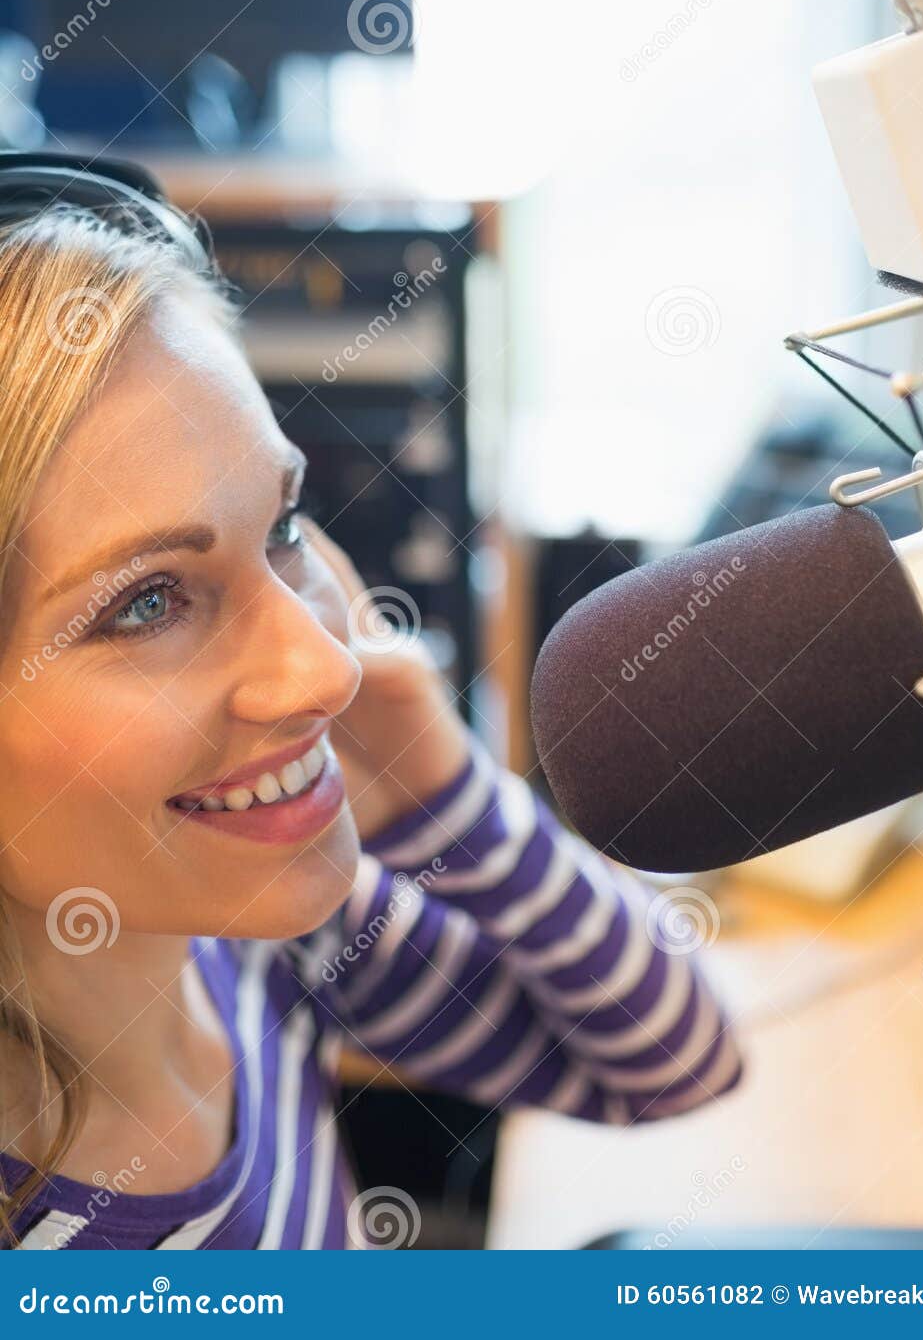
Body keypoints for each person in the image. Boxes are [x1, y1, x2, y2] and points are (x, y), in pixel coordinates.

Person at [0, 177, 741, 1249]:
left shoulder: (247, 932)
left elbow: (672, 1059)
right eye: (148, 602)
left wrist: (444, 788)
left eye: (283, 525)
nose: (328, 667)